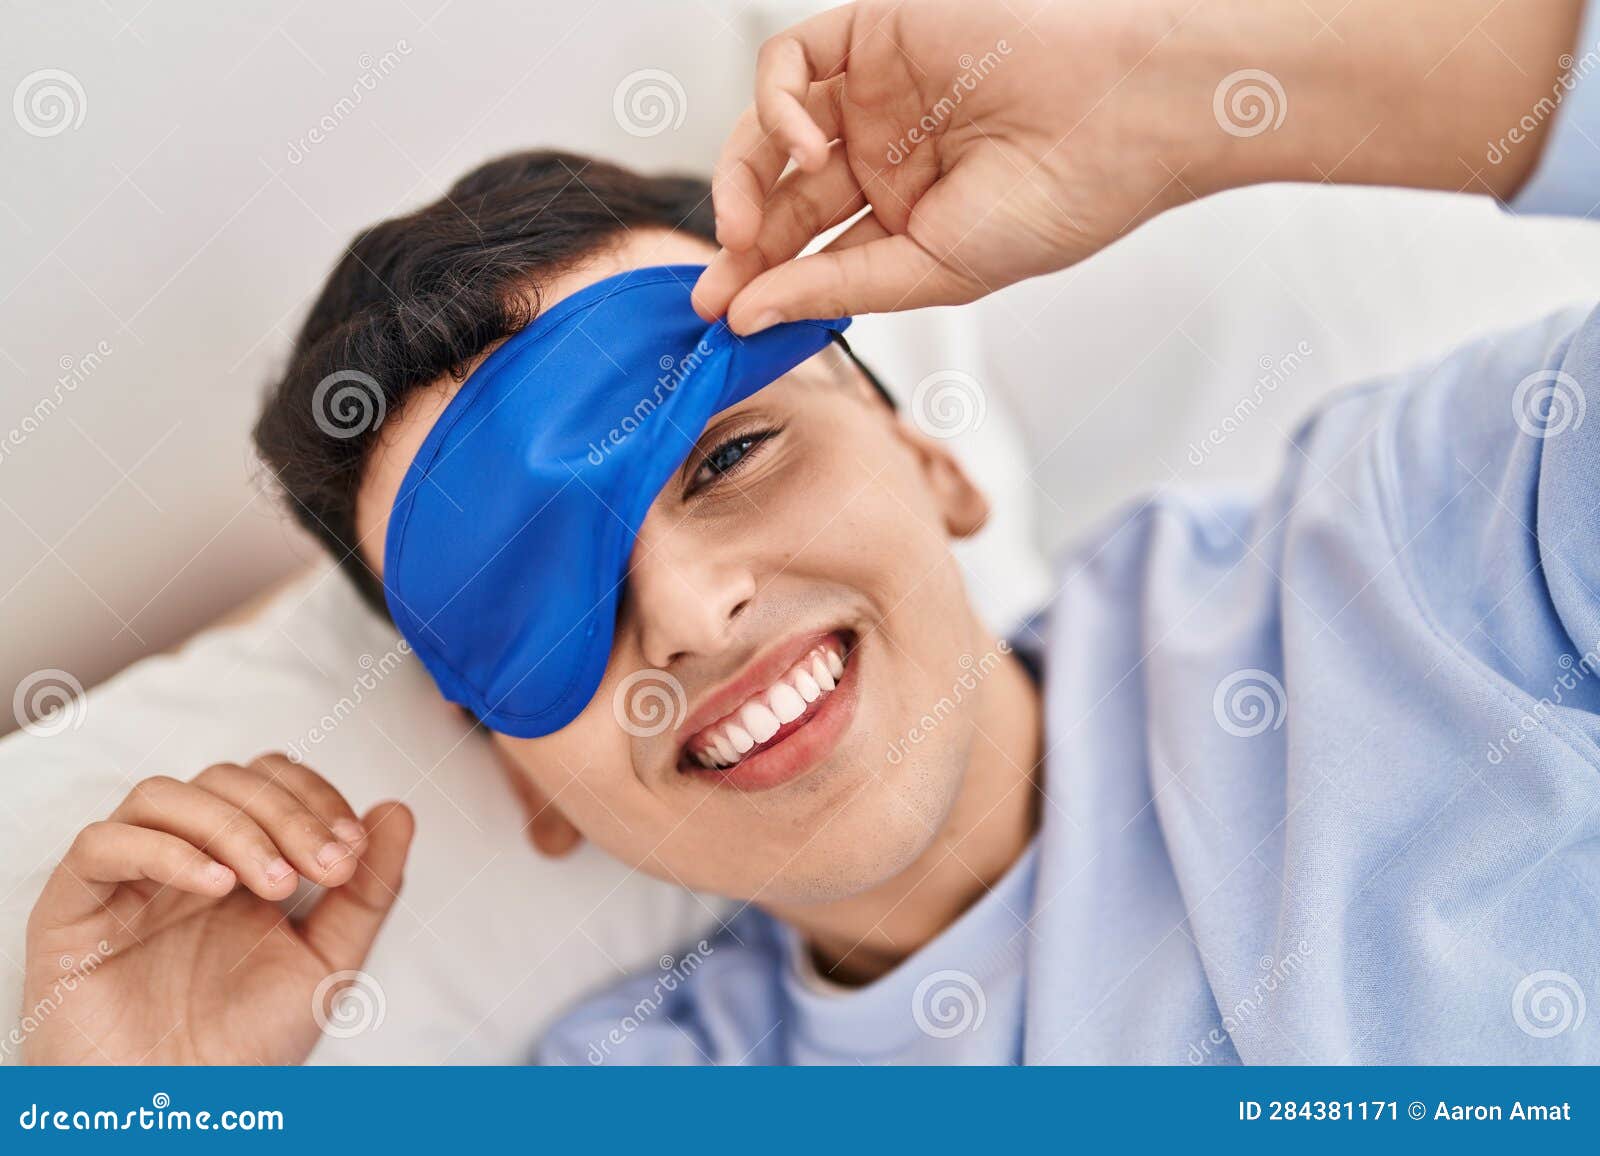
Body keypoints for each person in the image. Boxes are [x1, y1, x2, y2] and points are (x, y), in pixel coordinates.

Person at [21, 0, 1600, 1064]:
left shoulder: (1452, 542)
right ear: (518, 774)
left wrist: (1179, 92)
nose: (696, 611)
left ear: (934, 461)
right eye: (527, 595)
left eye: (729, 460)